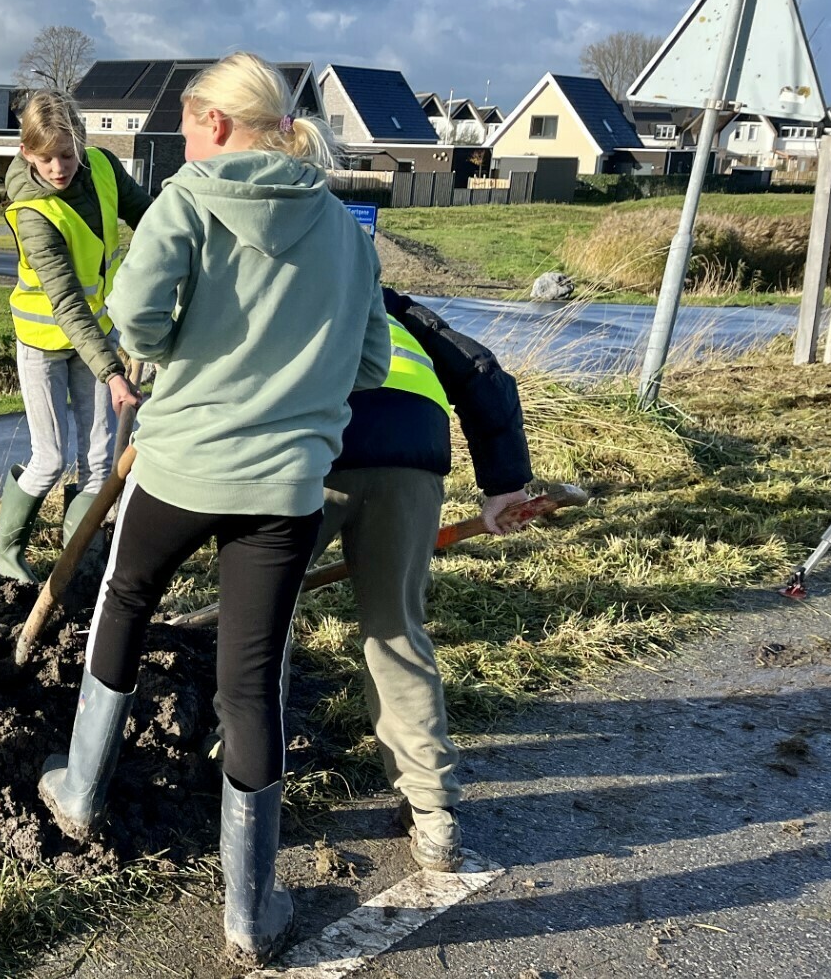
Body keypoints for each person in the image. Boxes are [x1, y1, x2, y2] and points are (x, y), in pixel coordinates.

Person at [35, 53, 390, 966]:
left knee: (125, 602)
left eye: (188, 125)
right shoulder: (349, 232)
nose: (183, 142)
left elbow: (135, 320)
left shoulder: (190, 199)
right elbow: (370, 366)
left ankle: (78, 791)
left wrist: (183, 361)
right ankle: (250, 911)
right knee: (252, 679)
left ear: (219, 125)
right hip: (285, 490)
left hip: (182, 466)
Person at [317, 288, 533, 870]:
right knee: (395, 630)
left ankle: (238, 770)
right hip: (410, 457)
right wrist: (504, 483)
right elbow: (482, 371)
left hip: (311, 452)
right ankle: (433, 811)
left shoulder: (286, 275)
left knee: (260, 622)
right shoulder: (397, 305)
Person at [0, 90, 151, 582]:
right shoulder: (33, 213)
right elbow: (67, 304)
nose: (58, 168)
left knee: (100, 460)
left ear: (81, 145)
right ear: (26, 154)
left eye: (66, 155)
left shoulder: (102, 167)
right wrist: (114, 373)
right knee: (51, 457)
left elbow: (149, 218)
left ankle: (75, 562)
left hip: (96, 336)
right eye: (45, 159)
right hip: (45, 341)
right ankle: (7, 553)